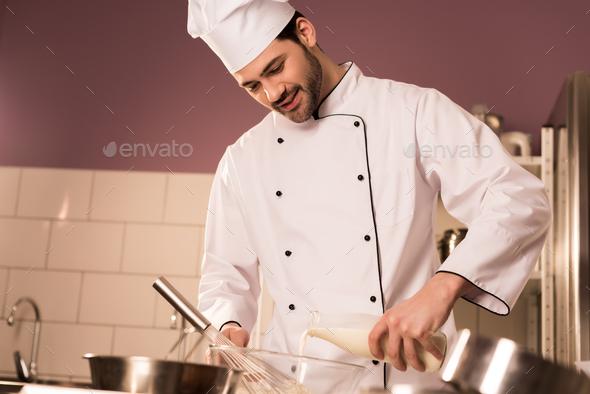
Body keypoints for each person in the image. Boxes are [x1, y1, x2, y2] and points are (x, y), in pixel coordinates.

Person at [188, 0, 552, 389]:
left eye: (276, 68)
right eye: (253, 86)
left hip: (402, 380)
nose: (273, 93)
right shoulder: (242, 161)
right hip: (296, 383)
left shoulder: (410, 112)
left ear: (305, 33)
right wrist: (228, 326)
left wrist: (444, 285)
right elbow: (225, 274)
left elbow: (518, 198)